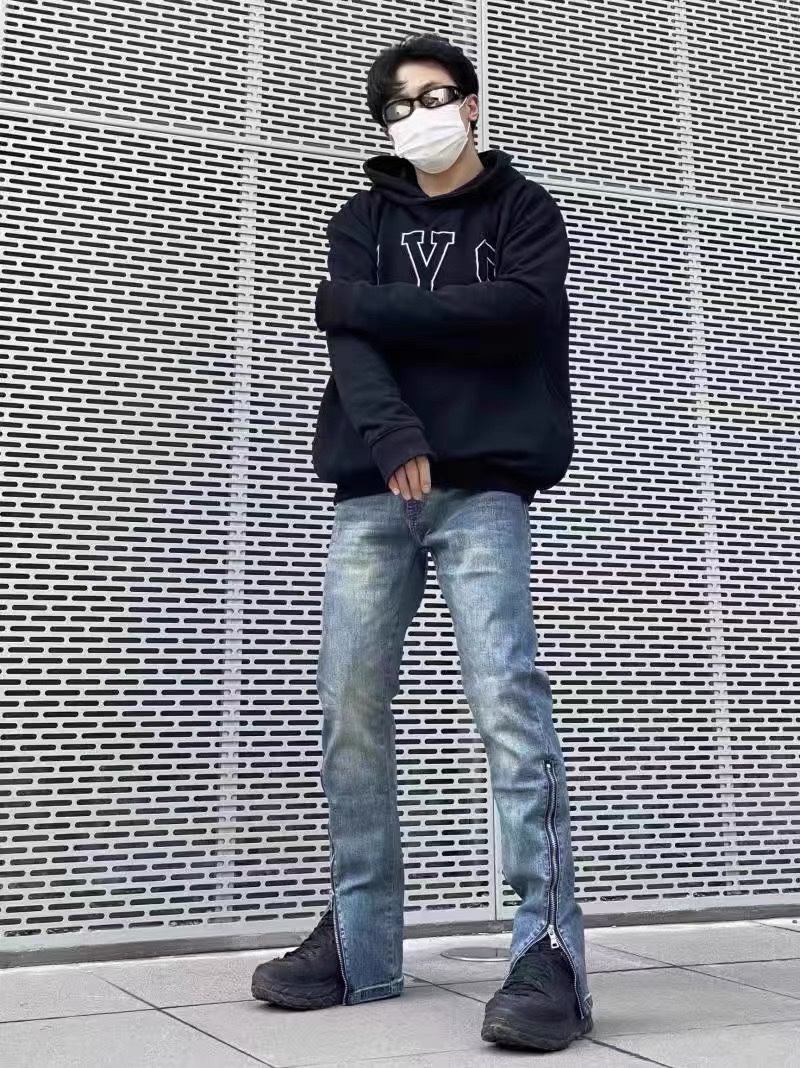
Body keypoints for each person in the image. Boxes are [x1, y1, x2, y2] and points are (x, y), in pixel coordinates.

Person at [252, 33, 593, 1053]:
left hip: (483, 487)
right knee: (349, 712)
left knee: (508, 706)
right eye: (398, 105)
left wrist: (365, 302)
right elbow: (352, 346)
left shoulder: (522, 211)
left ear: (472, 102)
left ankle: (548, 954)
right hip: (372, 489)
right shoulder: (361, 218)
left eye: (435, 95)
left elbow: (519, 314)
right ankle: (360, 947)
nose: (419, 115)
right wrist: (395, 432)